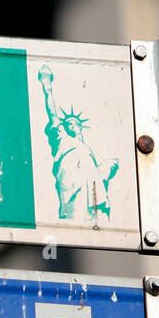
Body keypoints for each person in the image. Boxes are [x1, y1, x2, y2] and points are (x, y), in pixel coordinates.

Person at [38, 64, 121, 222]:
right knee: (75, 212)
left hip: (91, 186)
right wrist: (47, 86)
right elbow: (53, 114)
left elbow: (98, 174)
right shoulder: (62, 138)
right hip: (70, 180)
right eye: (69, 123)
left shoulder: (86, 148)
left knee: (96, 218)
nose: (72, 125)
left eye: (75, 123)